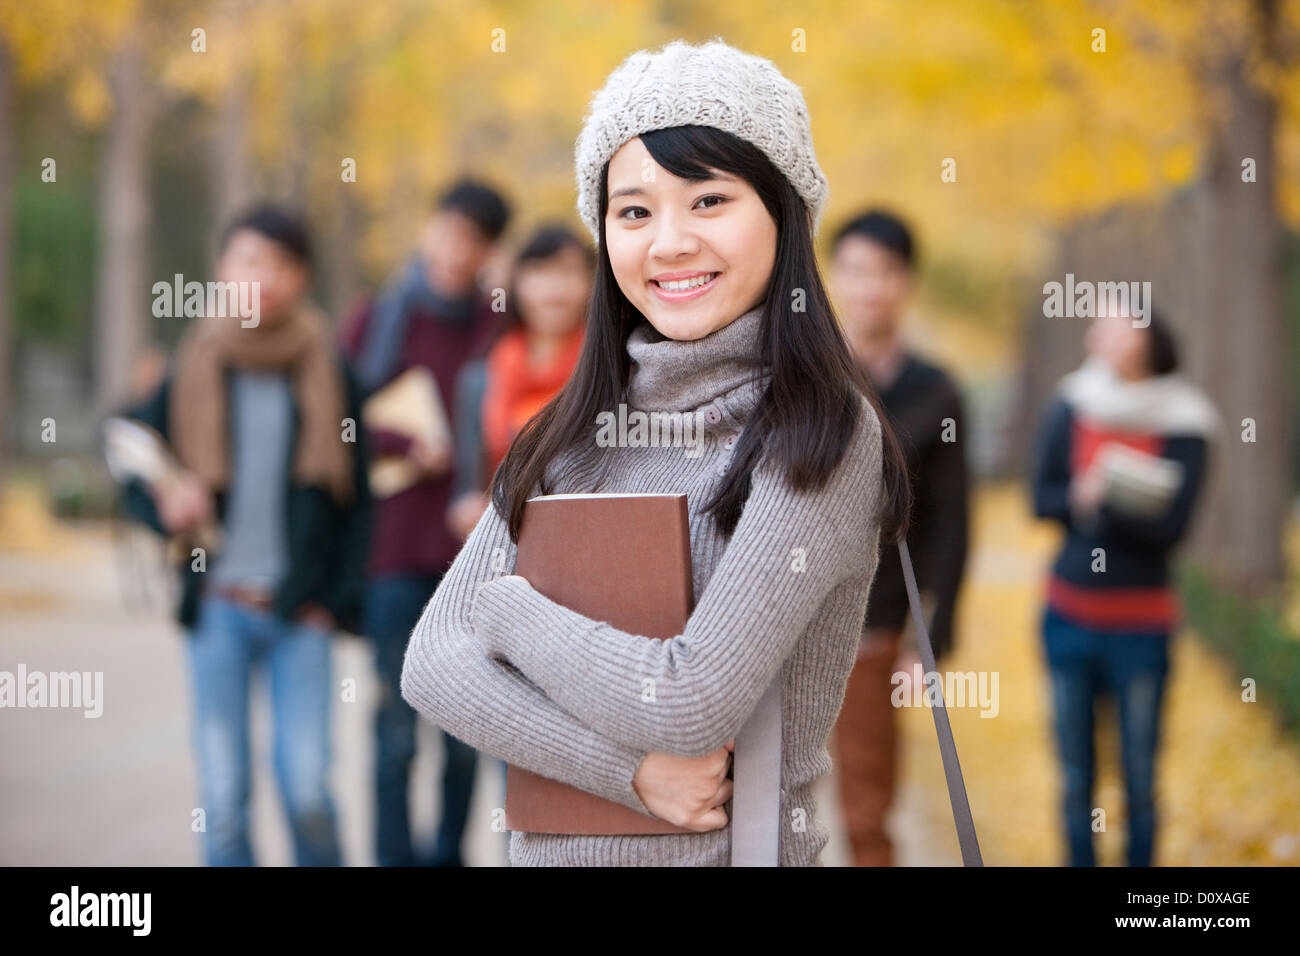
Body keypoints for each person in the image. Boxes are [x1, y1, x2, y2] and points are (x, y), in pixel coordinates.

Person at [400, 38, 912, 867]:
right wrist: (631, 774)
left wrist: (503, 611)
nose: (669, 242)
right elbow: (432, 665)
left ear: (783, 215)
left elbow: (690, 699)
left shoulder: (819, 431)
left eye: (708, 200)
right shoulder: (568, 432)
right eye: (634, 212)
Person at [111, 204, 371, 866]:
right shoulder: (193, 360)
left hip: (298, 614)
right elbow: (128, 453)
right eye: (250, 259)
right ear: (223, 266)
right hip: (216, 610)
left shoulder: (329, 367)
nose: (265, 277)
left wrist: (333, 600)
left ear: (302, 277)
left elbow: (360, 500)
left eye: (282, 264)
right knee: (223, 800)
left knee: (308, 791)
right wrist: (165, 503)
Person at [339, 178, 510, 867]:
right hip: (392, 557)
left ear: (489, 251)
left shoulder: (495, 326)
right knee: (394, 732)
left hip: (472, 560)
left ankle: (447, 857)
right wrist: (408, 444)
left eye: (474, 241)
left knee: (464, 735)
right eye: (449, 232)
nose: (456, 251)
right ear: (429, 229)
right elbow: (338, 422)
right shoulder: (377, 317)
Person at [1032, 307, 1216, 866]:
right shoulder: (1072, 403)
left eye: (1116, 325)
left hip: (1141, 626)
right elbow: (1041, 500)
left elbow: (1172, 530)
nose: (1100, 335)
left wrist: (1106, 500)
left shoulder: (1187, 420)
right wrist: (1080, 498)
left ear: (1148, 338)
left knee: (1139, 776)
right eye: (1099, 326)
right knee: (1074, 775)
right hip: (1068, 619)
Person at [827, 210, 970, 867]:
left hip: (876, 625)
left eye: (884, 272)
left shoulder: (935, 393)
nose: (869, 287)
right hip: (781, 621)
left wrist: (929, 641)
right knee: (762, 809)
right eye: (855, 270)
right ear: (833, 276)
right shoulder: (801, 377)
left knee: (865, 811)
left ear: (906, 282)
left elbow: (952, 525)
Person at [446, 223, 594, 541]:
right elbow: (468, 484)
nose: (555, 288)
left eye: (569, 271)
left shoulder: (610, 370)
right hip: (506, 539)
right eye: (540, 271)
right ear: (517, 282)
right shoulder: (482, 377)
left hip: (590, 536)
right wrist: (467, 507)